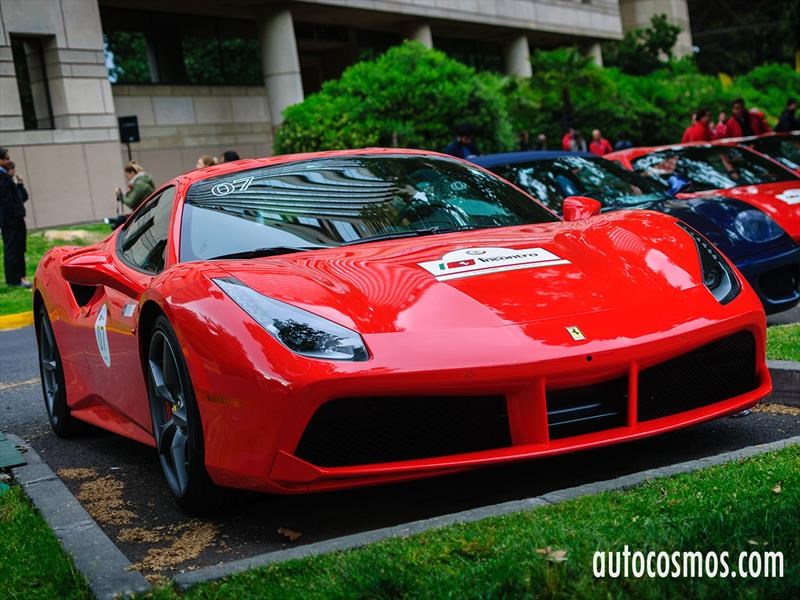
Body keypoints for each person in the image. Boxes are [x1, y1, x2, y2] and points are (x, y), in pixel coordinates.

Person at [0, 149, 30, 288]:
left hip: (14, 219)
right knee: (12, 249)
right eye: (6, 158)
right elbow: (7, 201)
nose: (8, 160)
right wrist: (15, 215)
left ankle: (20, 278)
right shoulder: (2, 178)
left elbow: (20, 198)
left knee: (19, 248)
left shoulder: (6, 177)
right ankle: (14, 281)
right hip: (10, 220)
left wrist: (19, 184)